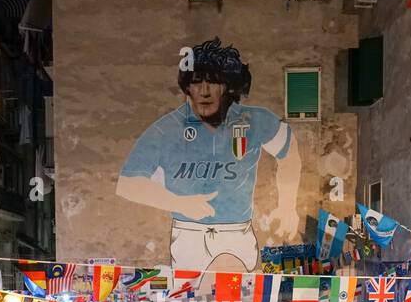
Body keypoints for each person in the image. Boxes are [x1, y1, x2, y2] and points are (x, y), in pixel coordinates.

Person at [116, 37, 301, 273]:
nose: (204, 91)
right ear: (187, 88)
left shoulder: (253, 120)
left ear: (227, 87)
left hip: (237, 231)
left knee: (235, 301)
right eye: (196, 82)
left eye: (213, 82)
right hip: (189, 232)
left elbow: (289, 149)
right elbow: (128, 183)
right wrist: (178, 202)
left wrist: (287, 206)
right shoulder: (167, 129)